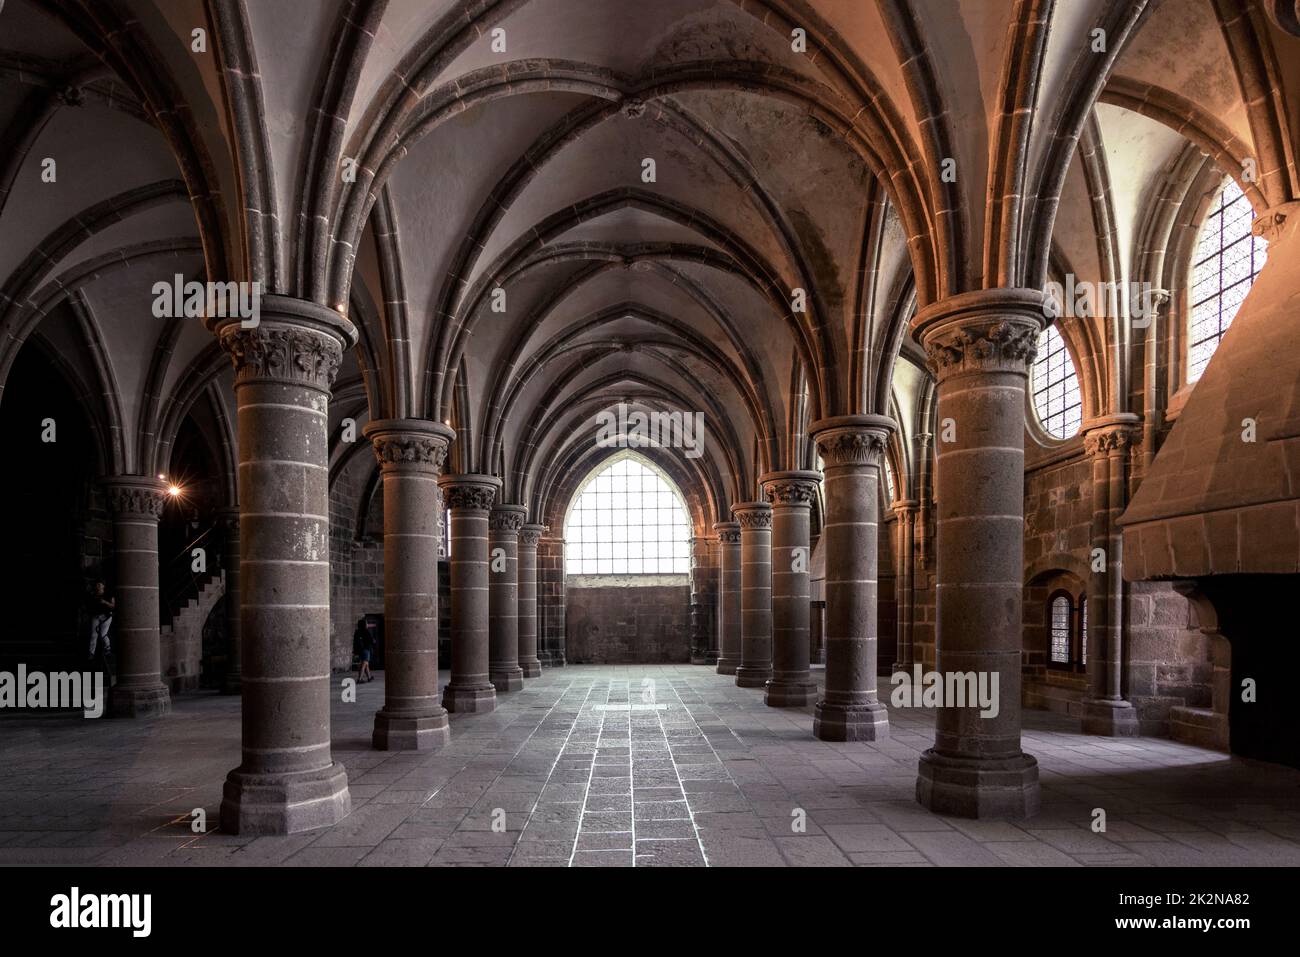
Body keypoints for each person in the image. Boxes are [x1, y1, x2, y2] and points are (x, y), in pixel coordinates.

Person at [87, 581, 114, 660]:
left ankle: (107, 649)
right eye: (97, 585)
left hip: (106, 616)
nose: (98, 586)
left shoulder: (108, 595)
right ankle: (91, 653)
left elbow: (113, 606)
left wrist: (105, 602)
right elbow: (89, 606)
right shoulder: (93, 595)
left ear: (103, 586)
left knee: (103, 634)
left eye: (99, 584)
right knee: (93, 635)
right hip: (95, 616)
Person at [353, 618, 375, 683]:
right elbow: (371, 640)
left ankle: (369, 677)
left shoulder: (357, 631)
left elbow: (355, 641)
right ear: (364, 624)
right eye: (366, 623)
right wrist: (373, 641)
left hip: (360, 650)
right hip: (366, 650)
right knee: (364, 664)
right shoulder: (366, 631)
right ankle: (360, 679)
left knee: (366, 664)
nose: (367, 624)